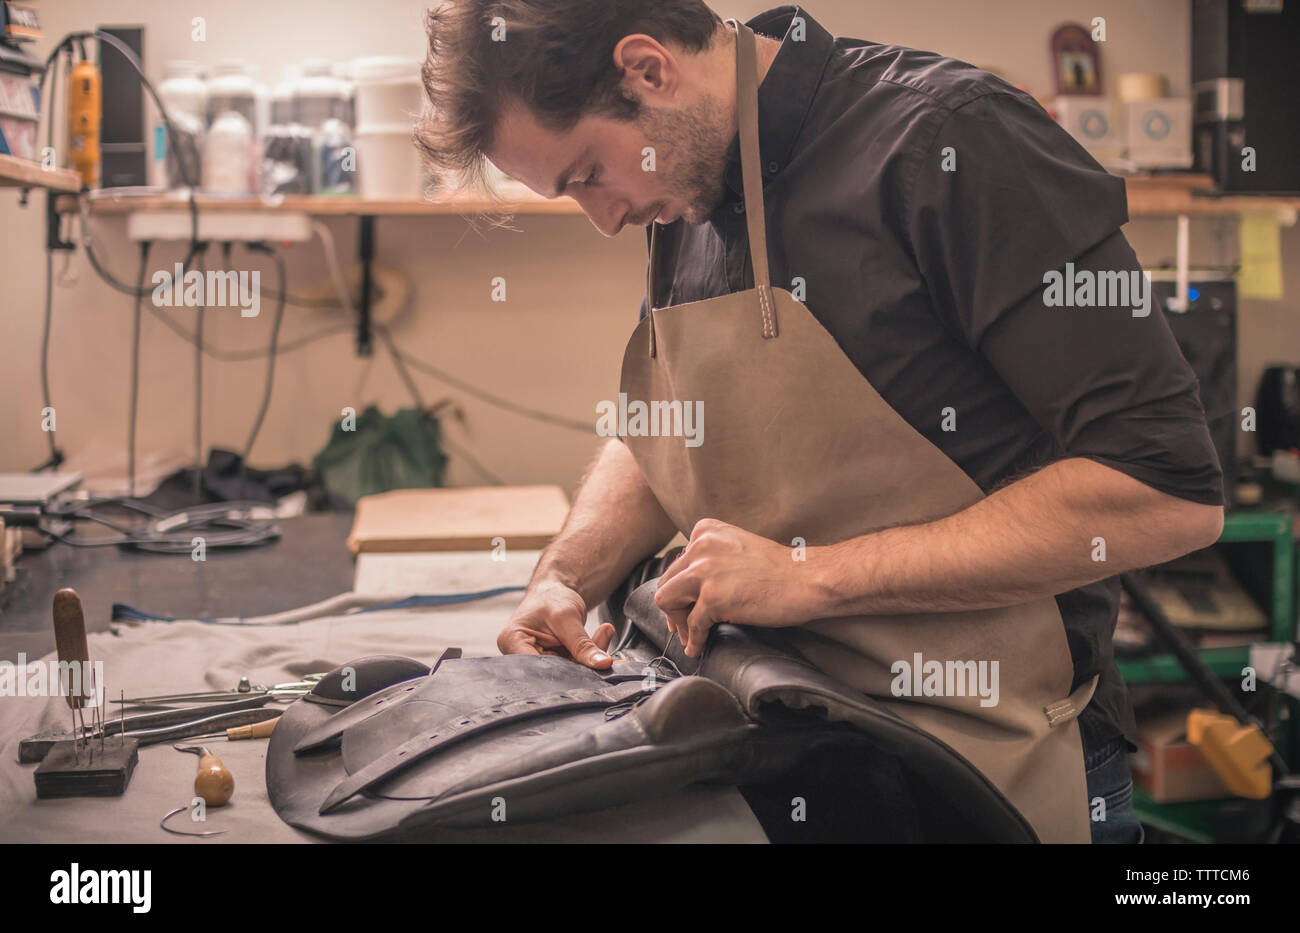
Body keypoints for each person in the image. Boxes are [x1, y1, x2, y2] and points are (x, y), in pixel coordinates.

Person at [414, 2, 1224, 843]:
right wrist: (565, 578)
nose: (602, 219)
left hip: (984, 757)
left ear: (649, 70)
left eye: (586, 174)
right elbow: (668, 423)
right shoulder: (684, 194)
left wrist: (812, 576)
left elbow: (1163, 491)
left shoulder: (953, 144)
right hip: (786, 736)